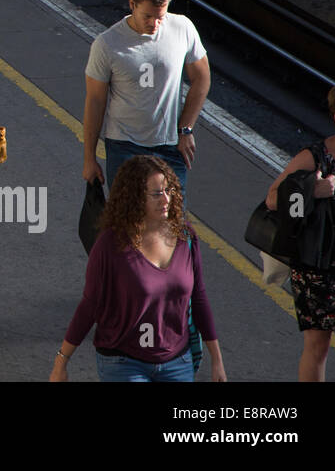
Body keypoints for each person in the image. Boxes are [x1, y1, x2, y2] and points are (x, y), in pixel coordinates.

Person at [52, 155, 225, 382]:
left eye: (168, 191)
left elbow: (199, 297)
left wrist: (217, 360)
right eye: (156, 194)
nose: (165, 199)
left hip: (177, 361)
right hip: (123, 362)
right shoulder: (110, 245)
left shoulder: (186, 236)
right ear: (134, 198)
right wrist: (61, 361)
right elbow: (90, 304)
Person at [82, 0, 210, 196]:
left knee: (171, 224)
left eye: (161, 16)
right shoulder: (107, 44)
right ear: (132, 4)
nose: (155, 24)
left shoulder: (183, 28)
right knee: (130, 223)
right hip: (124, 146)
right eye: (147, 16)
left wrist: (186, 128)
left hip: (170, 146)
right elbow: (95, 101)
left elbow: (202, 78)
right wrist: (89, 159)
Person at [265, 84, 335, 382]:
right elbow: (274, 198)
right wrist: (313, 191)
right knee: (318, 346)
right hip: (319, 265)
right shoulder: (315, 156)